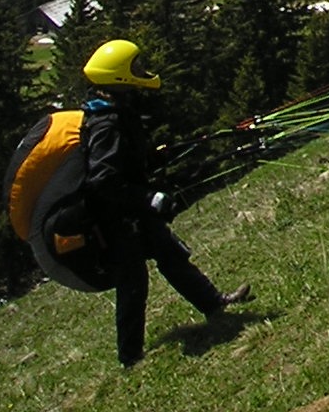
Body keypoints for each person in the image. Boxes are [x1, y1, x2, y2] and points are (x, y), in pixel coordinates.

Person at [80, 39, 250, 368]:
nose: (142, 73)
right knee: (133, 283)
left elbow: (126, 162)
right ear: (119, 76)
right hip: (118, 220)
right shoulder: (105, 123)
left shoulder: (115, 111)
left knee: (172, 256)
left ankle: (214, 304)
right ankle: (130, 357)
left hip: (134, 212)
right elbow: (102, 179)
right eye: (136, 68)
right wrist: (149, 198)